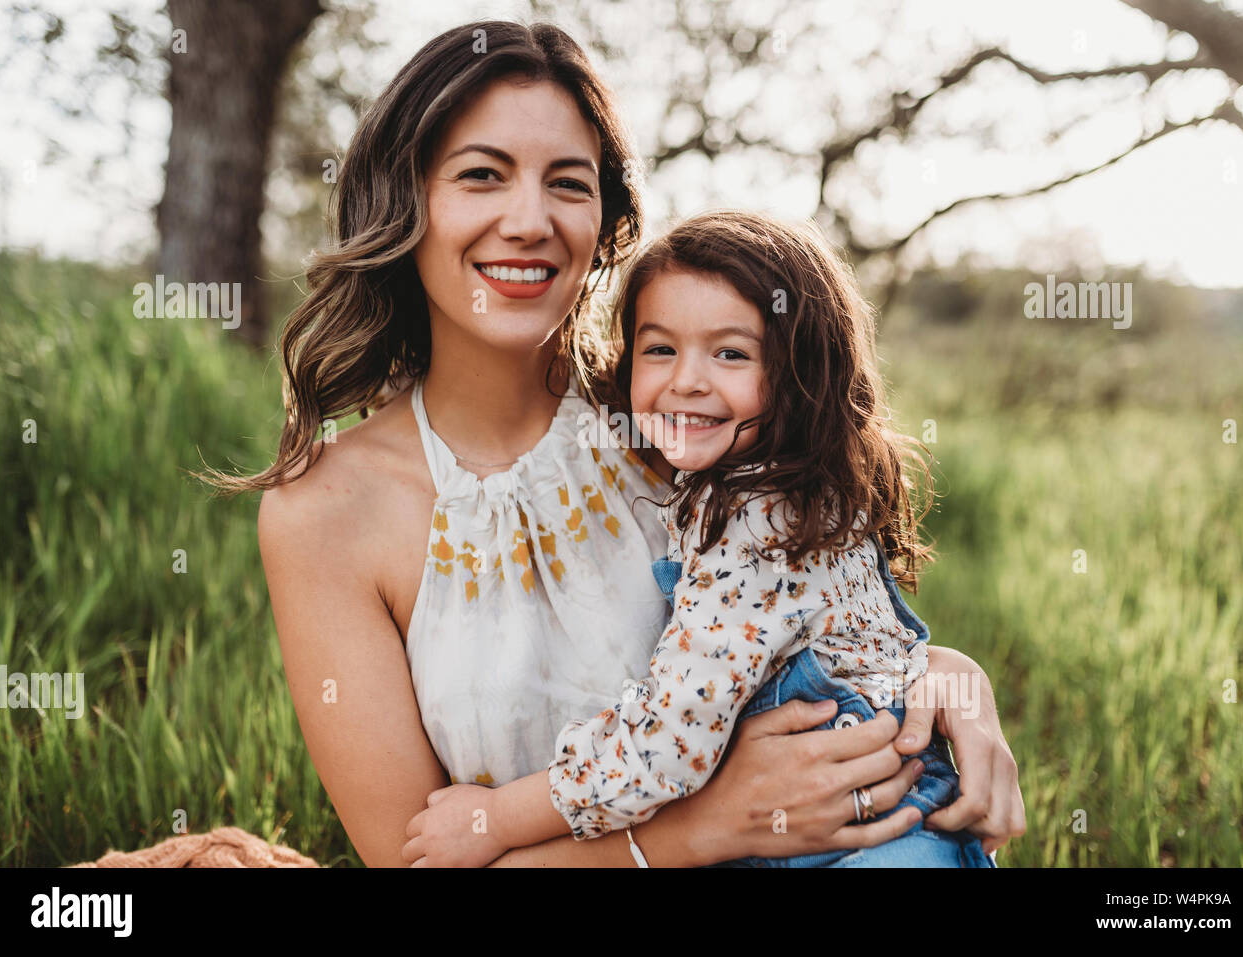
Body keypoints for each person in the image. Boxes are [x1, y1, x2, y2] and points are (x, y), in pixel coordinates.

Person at [215, 19, 1024, 867]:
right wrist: (707, 825)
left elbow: (807, 600)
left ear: (604, 218)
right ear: (406, 201)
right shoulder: (324, 515)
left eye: (567, 182)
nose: (529, 221)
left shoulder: (680, 428)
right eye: (482, 176)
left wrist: (947, 675)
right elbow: (416, 858)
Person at [402, 210, 996, 867]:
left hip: (876, 842)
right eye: (660, 348)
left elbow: (670, 742)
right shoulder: (757, 487)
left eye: (731, 353)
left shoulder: (759, 522)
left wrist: (497, 818)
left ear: (798, 375)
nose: (686, 379)